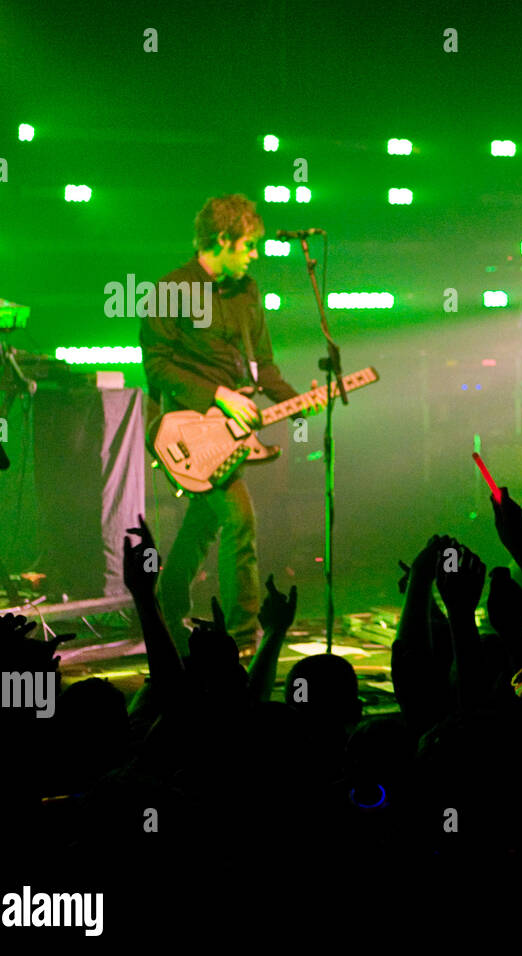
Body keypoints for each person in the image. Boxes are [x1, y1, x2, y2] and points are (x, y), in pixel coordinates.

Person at [141, 194, 320, 652]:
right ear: (222, 240)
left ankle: (164, 608)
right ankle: (243, 639)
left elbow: (265, 369)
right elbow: (158, 368)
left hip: (232, 434)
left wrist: (299, 402)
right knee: (240, 520)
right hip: (182, 431)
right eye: (249, 245)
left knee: (202, 525)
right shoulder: (173, 288)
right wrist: (217, 395)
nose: (255, 254)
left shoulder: (247, 292)